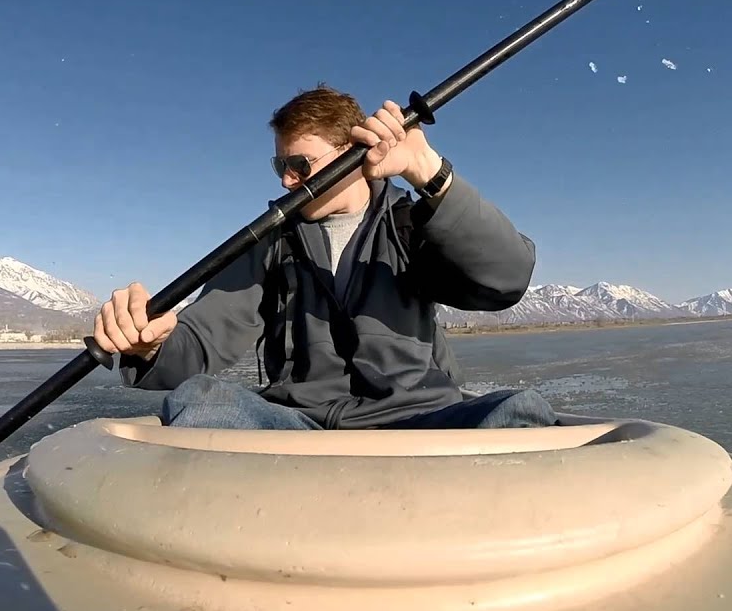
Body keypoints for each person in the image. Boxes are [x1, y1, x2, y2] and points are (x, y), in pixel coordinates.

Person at [93, 84, 559, 430]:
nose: (286, 181)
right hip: (301, 424)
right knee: (200, 401)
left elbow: (507, 278)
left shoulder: (413, 223)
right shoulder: (271, 241)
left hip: (418, 419)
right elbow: (200, 342)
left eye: (299, 165)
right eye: (280, 166)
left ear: (350, 153)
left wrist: (428, 173)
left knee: (521, 410)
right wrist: (150, 346)